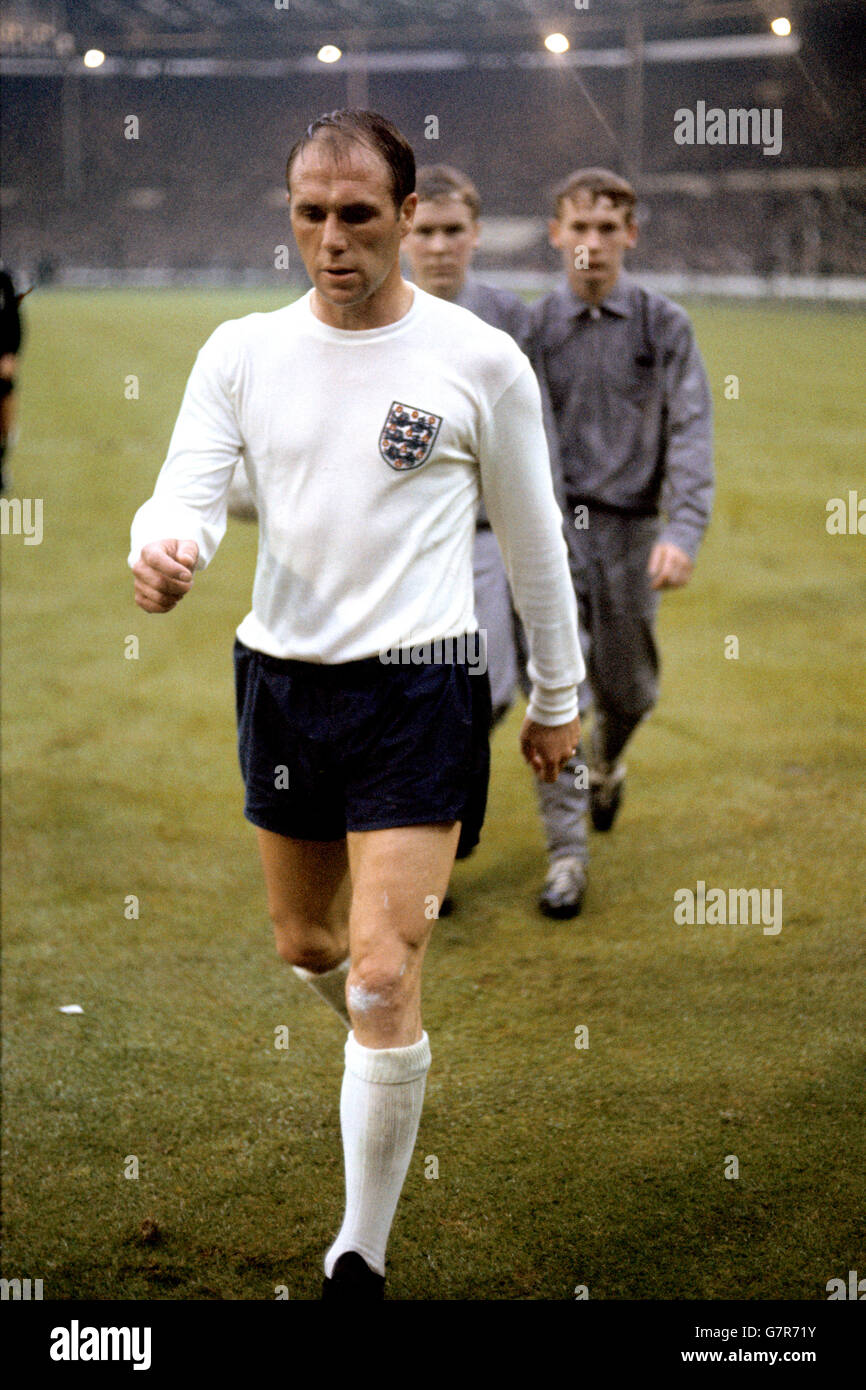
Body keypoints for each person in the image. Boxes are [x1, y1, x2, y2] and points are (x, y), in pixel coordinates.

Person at [129, 109, 582, 1300]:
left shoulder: (478, 361)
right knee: (310, 948)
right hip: (281, 684)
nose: (331, 239)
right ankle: (382, 1052)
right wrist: (165, 547)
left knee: (381, 972)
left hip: (422, 686)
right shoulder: (240, 351)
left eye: (358, 216)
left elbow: (535, 548)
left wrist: (553, 695)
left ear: (403, 212)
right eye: (309, 214)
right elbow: (183, 488)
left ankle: (357, 1253)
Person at [527, 167, 714, 919]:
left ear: (630, 235)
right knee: (559, 686)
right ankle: (567, 857)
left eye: (609, 228)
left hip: (635, 532)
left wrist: (683, 527)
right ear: (555, 234)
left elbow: (691, 428)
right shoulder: (535, 330)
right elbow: (525, 438)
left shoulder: (663, 326)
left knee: (631, 691)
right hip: (554, 528)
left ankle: (606, 761)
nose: (593, 243)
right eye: (579, 226)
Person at [403, 164, 530, 731]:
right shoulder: (367, 316)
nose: (439, 247)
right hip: (397, 539)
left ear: (475, 232)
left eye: (452, 230)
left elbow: (536, 435)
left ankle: (451, 814)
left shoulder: (509, 320)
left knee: (490, 690)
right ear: (402, 232)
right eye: (425, 232)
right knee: (405, 694)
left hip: (483, 538)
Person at [0, 263, 24, 495]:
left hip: (1, 367)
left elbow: (15, 321)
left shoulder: (5, 280)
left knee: (5, 424)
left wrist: (11, 355)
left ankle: (1, 467)